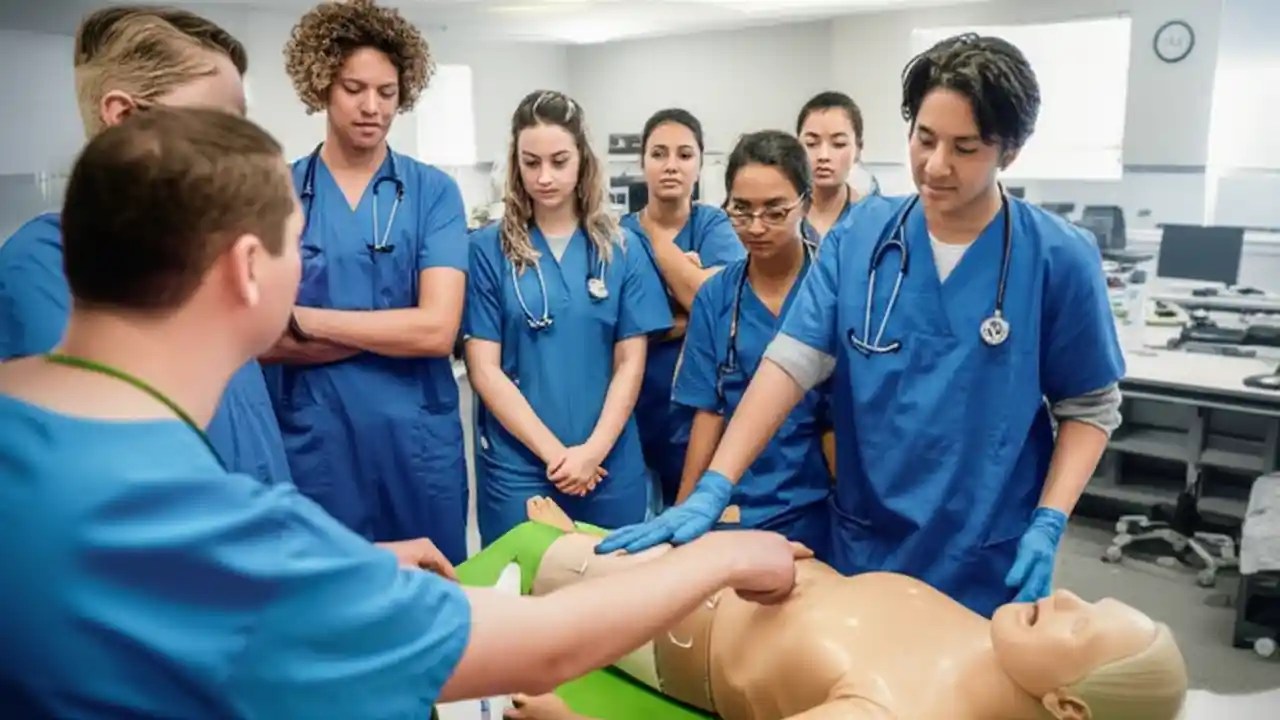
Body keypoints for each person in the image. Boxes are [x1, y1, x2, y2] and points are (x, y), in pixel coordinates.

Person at [0, 107, 804, 719]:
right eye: (298, 243)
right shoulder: (208, 525)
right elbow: (537, 648)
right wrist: (721, 559)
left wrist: (368, 562)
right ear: (249, 269)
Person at [599, 33, 1127, 619]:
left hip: (987, 548)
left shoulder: (1057, 257)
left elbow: (1090, 405)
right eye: (924, 139)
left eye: (966, 147)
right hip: (867, 538)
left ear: (1011, 151)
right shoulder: (862, 238)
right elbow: (790, 362)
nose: (935, 165)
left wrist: (1050, 520)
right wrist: (714, 486)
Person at [502, 497, 1187, 720]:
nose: (1064, 595)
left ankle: (570, 543)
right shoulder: (993, 642)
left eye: (1081, 623)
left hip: (682, 630)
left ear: (1069, 707)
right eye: (1089, 598)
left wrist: (571, 719)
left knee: (546, 557)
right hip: (749, 572)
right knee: (601, 539)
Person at [0, 5, 291, 487]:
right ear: (125, 119)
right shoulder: (49, 265)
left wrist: (318, 556)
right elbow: (129, 496)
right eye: (222, 123)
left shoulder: (200, 264)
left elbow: (251, 466)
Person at [262, 0, 470, 562]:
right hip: (317, 445)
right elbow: (264, 338)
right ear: (322, 86)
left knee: (436, 600)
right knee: (329, 606)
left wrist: (309, 320)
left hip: (416, 449)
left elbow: (435, 331)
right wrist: (387, 331)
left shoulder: (434, 194)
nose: (372, 107)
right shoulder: (277, 194)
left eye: (387, 92)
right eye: (354, 88)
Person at [464, 90, 674, 546]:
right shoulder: (487, 250)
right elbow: (484, 369)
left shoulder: (622, 248)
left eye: (559, 161)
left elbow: (629, 365)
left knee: (615, 598)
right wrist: (557, 456)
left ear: (583, 161)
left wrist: (591, 454)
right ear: (515, 164)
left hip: (607, 467)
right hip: (519, 468)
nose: (545, 177)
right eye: (531, 162)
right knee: (523, 598)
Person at [671, 131, 832, 558]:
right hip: (734, 505)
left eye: (775, 212)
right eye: (741, 211)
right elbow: (708, 411)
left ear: (806, 202)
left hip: (820, 508)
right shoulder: (716, 297)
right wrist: (686, 510)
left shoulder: (831, 293)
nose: (756, 227)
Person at [619, 109, 745, 508]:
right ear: (642, 162)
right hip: (634, 408)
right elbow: (620, 327)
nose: (671, 166)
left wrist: (656, 245)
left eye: (684, 155)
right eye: (658, 154)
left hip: (697, 414)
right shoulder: (619, 235)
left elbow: (723, 306)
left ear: (700, 163)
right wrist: (688, 296)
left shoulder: (713, 224)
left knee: (693, 525)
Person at [796, 91, 873, 244]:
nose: (823, 156)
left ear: (858, 149)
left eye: (839, 144)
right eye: (811, 144)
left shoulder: (873, 218)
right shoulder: (782, 214)